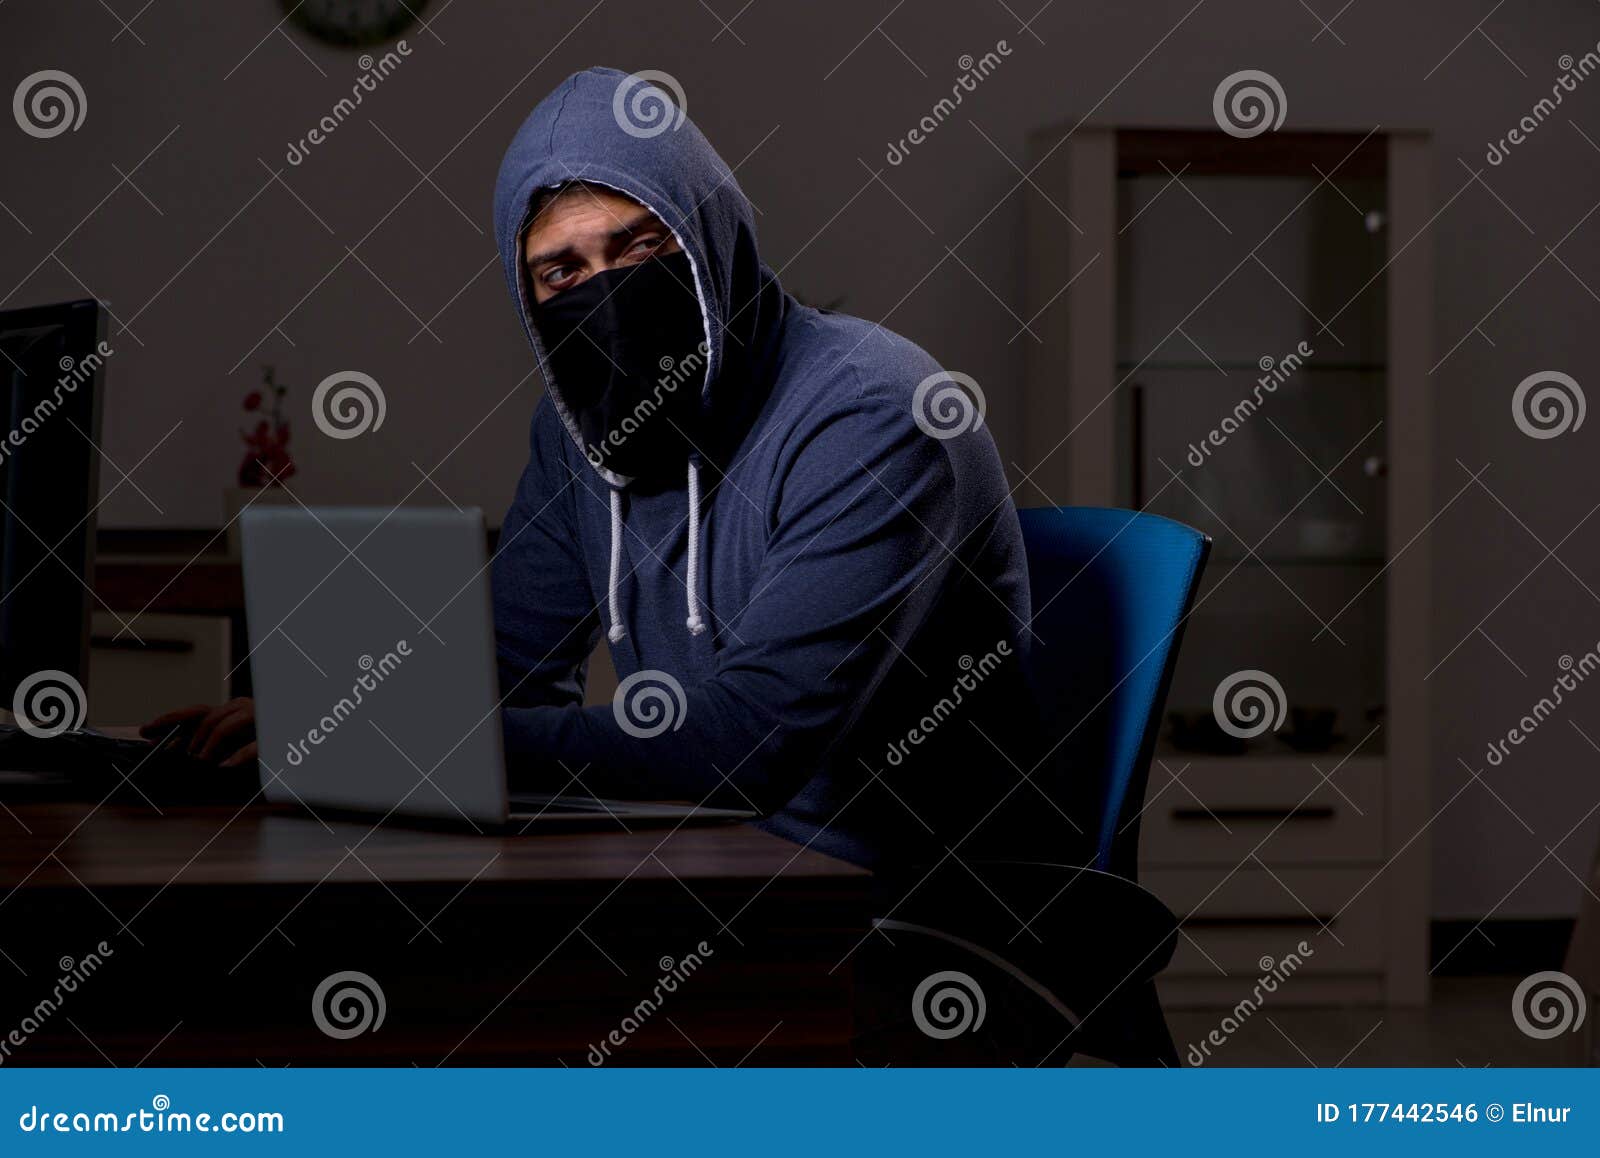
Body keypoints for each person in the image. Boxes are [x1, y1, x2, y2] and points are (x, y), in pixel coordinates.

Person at [148, 66, 1045, 876]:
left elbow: (751, 743)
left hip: (899, 916)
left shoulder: (879, 413)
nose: (605, 292)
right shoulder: (579, 430)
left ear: (711, 237)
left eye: (641, 247)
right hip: (720, 873)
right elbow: (498, 672)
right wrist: (331, 721)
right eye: (561, 271)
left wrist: (390, 740)